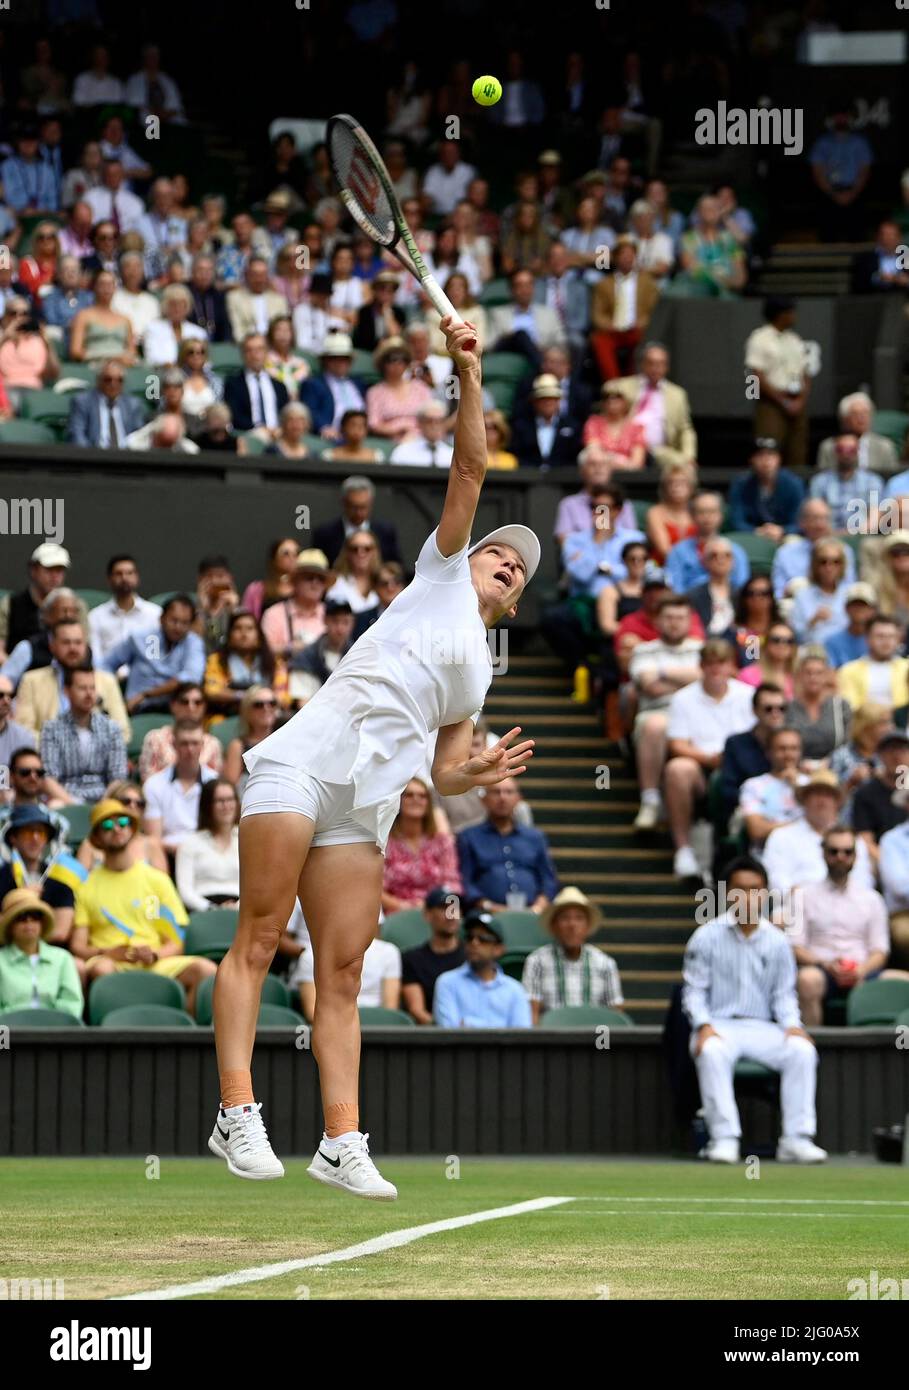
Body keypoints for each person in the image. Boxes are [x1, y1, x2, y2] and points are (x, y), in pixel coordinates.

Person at [209, 314, 540, 1194]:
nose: (504, 564)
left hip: (366, 803)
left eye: (517, 571)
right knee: (259, 936)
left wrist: (476, 773)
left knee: (344, 969)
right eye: (497, 554)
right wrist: (467, 375)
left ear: (511, 605)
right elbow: (469, 466)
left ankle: (339, 1142)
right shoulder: (437, 573)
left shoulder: (475, 676)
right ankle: (237, 1113)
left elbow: (444, 768)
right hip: (302, 764)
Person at [682, 855, 826, 1165]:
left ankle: (796, 1139)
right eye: (740, 889)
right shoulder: (705, 937)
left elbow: (784, 996)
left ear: (766, 894)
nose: (748, 897)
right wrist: (703, 1025)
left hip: (762, 1028)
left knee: (802, 1050)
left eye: (756, 889)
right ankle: (724, 1138)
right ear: (726, 893)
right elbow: (693, 992)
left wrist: (793, 1025)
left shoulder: (777, 941)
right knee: (711, 1052)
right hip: (719, 1025)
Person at [72, 799, 215, 1015]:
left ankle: (177, 1033)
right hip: (111, 962)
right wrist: (108, 953)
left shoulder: (157, 879)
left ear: (132, 828)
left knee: (207, 970)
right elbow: (78, 945)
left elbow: (176, 940)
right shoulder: (86, 885)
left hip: (153, 962)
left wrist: (155, 955)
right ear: (97, 838)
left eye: (122, 822)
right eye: (107, 826)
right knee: (102, 968)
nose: (117, 829)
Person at [665, 639, 756, 881]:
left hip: (740, 768)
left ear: (732, 666)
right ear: (701, 666)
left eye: (722, 663)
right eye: (710, 663)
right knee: (677, 768)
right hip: (701, 766)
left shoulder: (748, 696)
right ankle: (683, 849)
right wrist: (708, 758)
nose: (716, 669)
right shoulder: (682, 698)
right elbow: (677, 744)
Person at [789, 827, 894, 1026]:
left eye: (847, 852)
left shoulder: (872, 899)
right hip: (820, 969)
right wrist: (825, 964)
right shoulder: (802, 895)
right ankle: (812, 1050)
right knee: (807, 980)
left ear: (855, 856)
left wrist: (861, 970)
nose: (840, 857)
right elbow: (795, 946)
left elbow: (880, 950)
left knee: (902, 982)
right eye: (834, 851)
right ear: (823, 853)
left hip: (863, 970)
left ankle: (879, 1053)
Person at [629, 597, 703, 832]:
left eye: (680, 618)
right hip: (658, 712)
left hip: (697, 716)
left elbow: (709, 679)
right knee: (655, 725)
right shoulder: (643, 649)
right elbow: (649, 686)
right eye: (669, 618)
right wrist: (691, 679)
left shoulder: (702, 649)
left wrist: (661, 672)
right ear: (658, 621)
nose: (674, 623)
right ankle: (650, 800)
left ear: (689, 621)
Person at [763, 770, 874, 900]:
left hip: (847, 907)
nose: (822, 800)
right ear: (804, 800)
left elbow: (864, 880)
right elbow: (776, 882)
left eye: (828, 795)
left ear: (837, 802)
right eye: (816, 794)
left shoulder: (853, 839)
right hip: (796, 907)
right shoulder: (781, 836)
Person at [14, 619, 130, 743]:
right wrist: (58, 747)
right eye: (66, 642)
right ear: (52, 646)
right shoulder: (31, 681)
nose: (73, 648)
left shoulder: (107, 681)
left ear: (86, 645)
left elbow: (123, 731)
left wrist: (88, 749)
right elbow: (23, 731)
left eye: (78, 642)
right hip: (46, 758)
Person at [456, 777, 558, 914]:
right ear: (483, 799)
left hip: (533, 913)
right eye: (496, 792)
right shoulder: (468, 837)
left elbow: (548, 878)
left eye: (509, 792)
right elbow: (465, 881)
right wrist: (487, 905)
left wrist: (539, 906)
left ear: (519, 799)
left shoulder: (535, 837)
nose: (502, 798)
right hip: (486, 914)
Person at [522, 886, 622, 1024]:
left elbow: (614, 1017)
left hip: (594, 1041)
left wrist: (602, 1046)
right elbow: (532, 1015)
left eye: (579, 918)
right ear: (554, 925)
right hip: (552, 1039)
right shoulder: (537, 961)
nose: (572, 925)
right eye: (565, 918)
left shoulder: (605, 963)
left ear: (588, 926)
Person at [101, 596, 206, 715]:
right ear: (161, 619)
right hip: (137, 709)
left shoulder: (193, 643)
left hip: (176, 711)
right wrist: (113, 696)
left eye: (184, 623)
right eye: (174, 620)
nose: (178, 627)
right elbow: (105, 665)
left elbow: (191, 677)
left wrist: (147, 694)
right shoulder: (140, 638)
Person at [40, 666, 127, 805]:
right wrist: (74, 805)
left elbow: (118, 777)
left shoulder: (112, 728)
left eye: (92, 688)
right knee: (54, 805)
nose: (89, 694)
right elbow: (49, 779)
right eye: (82, 688)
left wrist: (102, 806)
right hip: (66, 797)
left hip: (104, 798)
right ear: (67, 691)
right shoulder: (51, 729)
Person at [433, 910, 531, 1027]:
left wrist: (468, 1023)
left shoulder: (515, 990)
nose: (474, 943)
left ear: (499, 949)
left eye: (483, 939)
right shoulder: (447, 982)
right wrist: (501, 1028)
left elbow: (522, 1039)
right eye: (470, 937)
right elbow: (449, 1034)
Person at [744, 298, 809, 471]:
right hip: (771, 403)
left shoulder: (795, 339)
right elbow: (755, 376)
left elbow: (805, 373)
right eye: (790, 313)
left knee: (797, 452)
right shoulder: (760, 338)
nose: (794, 317)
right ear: (780, 315)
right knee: (769, 450)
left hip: (796, 401)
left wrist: (800, 400)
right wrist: (783, 401)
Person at [0, 888, 83, 1019]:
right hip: (10, 1033)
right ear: (10, 925)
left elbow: (72, 1003)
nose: (29, 922)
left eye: (35, 916)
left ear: (42, 922)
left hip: (55, 1032)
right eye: (21, 917)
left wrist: (54, 1028)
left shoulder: (62, 958)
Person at [142, 722, 219, 854]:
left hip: (208, 854)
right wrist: (183, 850)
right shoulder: (154, 784)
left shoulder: (215, 782)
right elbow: (153, 840)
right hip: (167, 854)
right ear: (174, 744)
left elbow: (220, 833)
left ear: (202, 745)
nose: (190, 749)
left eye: (195, 743)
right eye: (184, 743)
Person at [590, 238, 660, 381]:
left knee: (642, 342)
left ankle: (633, 385)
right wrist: (609, 325)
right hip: (612, 330)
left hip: (637, 329)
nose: (627, 258)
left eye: (630, 254)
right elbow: (597, 314)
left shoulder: (647, 282)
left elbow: (655, 310)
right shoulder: (604, 284)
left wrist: (642, 322)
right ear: (615, 257)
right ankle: (614, 385)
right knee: (599, 340)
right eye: (623, 254)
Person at [399, 887, 466, 1024]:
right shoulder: (412, 960)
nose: (451, 913)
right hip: (434, 1037)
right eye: (443, 908)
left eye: (455, 907)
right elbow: (417, 1011)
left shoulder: (472, 956)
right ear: (427, 914)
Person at [809, 98, 872, 242]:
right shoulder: (822, 143)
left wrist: (852, 193)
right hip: (829, 193)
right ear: (832, 118)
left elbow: (865, 171)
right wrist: (833, 194)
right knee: (827, 231)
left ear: (850, 118)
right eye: (838, 116)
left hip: (854, 193)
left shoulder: (860, 143)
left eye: (845, 115)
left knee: (858, 233)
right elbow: (817, 172)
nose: (841, 119)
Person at [204, 610, 287, 718]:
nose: (244, 634)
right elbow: (212, 691)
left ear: (259, 635)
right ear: (229, 636)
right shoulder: (216, 660)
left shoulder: (274, 662)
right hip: (230, 715)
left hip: (267, 713)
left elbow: (282, 696)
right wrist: (242, 696)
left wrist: (261, 700)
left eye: (250, 628)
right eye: (238, 628)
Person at [175, 779, 241, 912]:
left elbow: (254, 885)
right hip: (202, 911)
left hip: (240, 910)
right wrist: (213, 909)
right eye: (219, 801)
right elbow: (185, 890)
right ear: (208, 805)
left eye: (230, 799)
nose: (226, 805)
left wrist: (236, 908)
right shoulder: (190, 843)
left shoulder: (246, 839)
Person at [737, 726, 804, 855]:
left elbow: (824, 826)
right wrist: (802, 827)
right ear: (768, 752)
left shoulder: (814, 784)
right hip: (766, 854)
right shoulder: (753, 786)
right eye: (782, 749)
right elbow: (756, 830)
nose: (788, 754)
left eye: (794, 748)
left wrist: (797, 787)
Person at [771, 498, 855, 599]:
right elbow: (778, 594)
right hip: (795, 607)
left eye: (825, 519)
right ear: (802, 522)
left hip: (835, 603)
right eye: (815, 519)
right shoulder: (785, 553)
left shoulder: (844, 551)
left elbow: (849, 587)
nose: (820, 525)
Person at [665, 493, 750, 593]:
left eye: (712, 511)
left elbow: (742, 589)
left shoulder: (735, 551)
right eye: (701, 512)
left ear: (721, 515)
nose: (707, 517)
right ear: (692, 516)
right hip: (690, 605)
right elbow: (675, 589)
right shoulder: (677, 552)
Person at [138, 683, 223, 782]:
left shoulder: (213, 744)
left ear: (204, 707)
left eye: (198, 702)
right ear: (173, 705)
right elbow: (148, 782)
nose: (191, 707)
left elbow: (215, 786)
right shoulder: (155, 739)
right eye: (184, 702)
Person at [849, 728, 909, 865]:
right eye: (890, 749)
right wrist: (892, 866)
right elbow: (865, 840)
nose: (896, 755)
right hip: (881, 860)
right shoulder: (865, 794)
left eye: (902, 749)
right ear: (880, 755)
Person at [727, 440, 805, 539]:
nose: (766, 460)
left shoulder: (793, 483)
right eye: (760, 455)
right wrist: (756, 531)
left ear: (779, 459)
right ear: (752, 459)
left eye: (771, 455)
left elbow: (800, 521)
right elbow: (736, 520)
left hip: (784, 536)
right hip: (752, 536)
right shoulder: (741, 484)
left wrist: (782, 530)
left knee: (794, 541)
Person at [261, 550, 330, 661]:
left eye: (321, 579)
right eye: (309, 577)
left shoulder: (331, 614)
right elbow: (263, 653)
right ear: (295, 581)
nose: (315, 583)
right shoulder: (273, 614)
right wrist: (289, 649)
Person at [299, 332, 368, 439]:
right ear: (325, 360)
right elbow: (309, 411)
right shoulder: (313, 384)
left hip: (361, 436)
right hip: (333, 436)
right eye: (335, 358)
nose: (341, 363)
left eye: (345, 358)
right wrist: (323, 427)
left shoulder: (358, 383)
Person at [287, 599, 356, 706]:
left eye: (345, 622)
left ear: (353, 623)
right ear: (325, 620)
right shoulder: (306, 657)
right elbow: (302, 703)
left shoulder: (358, 657)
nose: (340, 628)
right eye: (335, 621)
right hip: (314, 716)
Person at [677, 194, 747, 297]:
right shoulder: (688, 239)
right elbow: (692, 269)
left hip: (727, 293)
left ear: (720, 212)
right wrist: (719, 280)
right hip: (697, 294)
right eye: (705, 208)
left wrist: (729, 283)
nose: (710, 211)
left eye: (714, 208)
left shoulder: (729, 239)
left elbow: (740, 275)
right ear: (698, 213)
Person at [66, 360, 146, 448]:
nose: (114, 384)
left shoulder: (132, 405)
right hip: (95, 456)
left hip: (126, 457)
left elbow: (139, 437)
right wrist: (89, 458)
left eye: (119, 380)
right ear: (98, 380)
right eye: (108, 380)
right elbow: (77, 435)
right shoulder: (83, 402)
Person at [816, 391, 897, 478]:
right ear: (844, 419)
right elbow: (822, 479)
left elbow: (891, 480)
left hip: (874, 490)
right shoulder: (828, 447)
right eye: (855, 414)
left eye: (865, 413)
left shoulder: (885, 446)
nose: (861, 418)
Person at [223, 332, 289, 436]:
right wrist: (260, 430)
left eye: (259, 349)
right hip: (249, 435)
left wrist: (278, 431)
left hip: (279, 436)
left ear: (266, 352)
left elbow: (286, 414)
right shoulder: (233, 383)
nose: (254, 354)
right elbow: (234, 416)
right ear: (242, 354)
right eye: (249, 350)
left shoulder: (279, 386)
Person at [838, 615, 909, 712]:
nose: (886, 641)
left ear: (898, 640)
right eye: (880, 636)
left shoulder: (906, 668)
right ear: (867, 639)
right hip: (864, 724)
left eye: (891, 636)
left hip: (901, 723)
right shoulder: (848, 670)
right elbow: (850, 706)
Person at [512, 373, 582, 468]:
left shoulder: (572, 426)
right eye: (543, 398)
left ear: (558, 401)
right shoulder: (521, 426)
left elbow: (575, 458)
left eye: (552, 398)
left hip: (564, 480)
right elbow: (516, 456)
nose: (548, 402)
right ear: (534, 401)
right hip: (527, 479)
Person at [68, 269, 135, 367]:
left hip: (121, 370)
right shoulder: (83, 316)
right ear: (94, 287)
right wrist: (111, 358)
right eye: (102, 284)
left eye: (110, 284)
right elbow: (75, 351)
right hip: (93, 367)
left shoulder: (125, 319)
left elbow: (132, 352)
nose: (106, 288)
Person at [789, 540, 850, 645]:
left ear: (842, 566)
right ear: (815, 565)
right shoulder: (802, 596)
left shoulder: (850, 595)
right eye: (823, 562)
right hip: (812, 653)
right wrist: (813, 621)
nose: (829, 567)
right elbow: (795, 637)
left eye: (836, 562)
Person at [222, 686, 279, 794]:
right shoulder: (237, 746)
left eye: (272, 703)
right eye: (258, 705)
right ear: (247, 711)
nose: (266, 708)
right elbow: (231, 789)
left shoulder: (283, 742)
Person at [684, 537, 738, 642]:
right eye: (714, 556)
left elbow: (751, 630)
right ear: (704, 561)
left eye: (727, 555)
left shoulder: (744, 594)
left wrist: (753, 657)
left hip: (739, 649)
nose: (721, 560)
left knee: (753, 646)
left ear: (733, 561)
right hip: (705, 648)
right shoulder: (693, 596)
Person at [582, 384, 647, 469]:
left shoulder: (636, 427)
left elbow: (637, 463)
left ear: (626, 401)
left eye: (618, 397)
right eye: (607, 397)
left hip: (629, 477)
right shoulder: (594, 422)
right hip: (599, 471)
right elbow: (594, 452)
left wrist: (609, 458)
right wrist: (621, 460)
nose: (611, 400)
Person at [142, 284, 206, 368]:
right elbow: (151, 358)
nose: (177, 308)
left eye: (181, 304)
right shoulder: (153, 329)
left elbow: (205, 361)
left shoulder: (198, 332)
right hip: (163, 375)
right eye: (173, 304)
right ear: (165, 306)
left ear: (187, 306)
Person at [645, 461, 697, 563]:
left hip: (695, 568)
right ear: (664, 487)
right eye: (671, 483)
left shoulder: (697, 511)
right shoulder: (655, 513)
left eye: (682, 483)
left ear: (691, 487)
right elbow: (665, 551)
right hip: (662, 568)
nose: (676, 487)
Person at [240, 538, 300, 621]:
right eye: (286, 554)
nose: (292, 558)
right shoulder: (256, 590)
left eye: (297, 553)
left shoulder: (303, 590)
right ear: (274, 559)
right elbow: (246, 620)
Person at [325, 530, 382, 616]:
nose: (361, 553)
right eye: (355, 549)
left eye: (367, 549)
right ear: (346, 552)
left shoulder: (384, 582)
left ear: (375, 552)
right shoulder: (333, 579)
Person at [737, 622, 798, 698]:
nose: (782, 644)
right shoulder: (747, 675)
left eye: (788, 641)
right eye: (776, 640)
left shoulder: (799, 677)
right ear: (766, 644)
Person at [824, 582, 876, 668]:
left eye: (863, 606)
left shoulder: (880, 639)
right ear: (846, 608)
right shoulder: (832, 641)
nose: (859, 610)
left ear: (872, 610)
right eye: (855, 605)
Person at [389, 401, 455, 468]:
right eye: (429, 421)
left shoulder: (451, 455)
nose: (434, 425)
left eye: (440, 421)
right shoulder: (402, 452)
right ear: (420, 423)